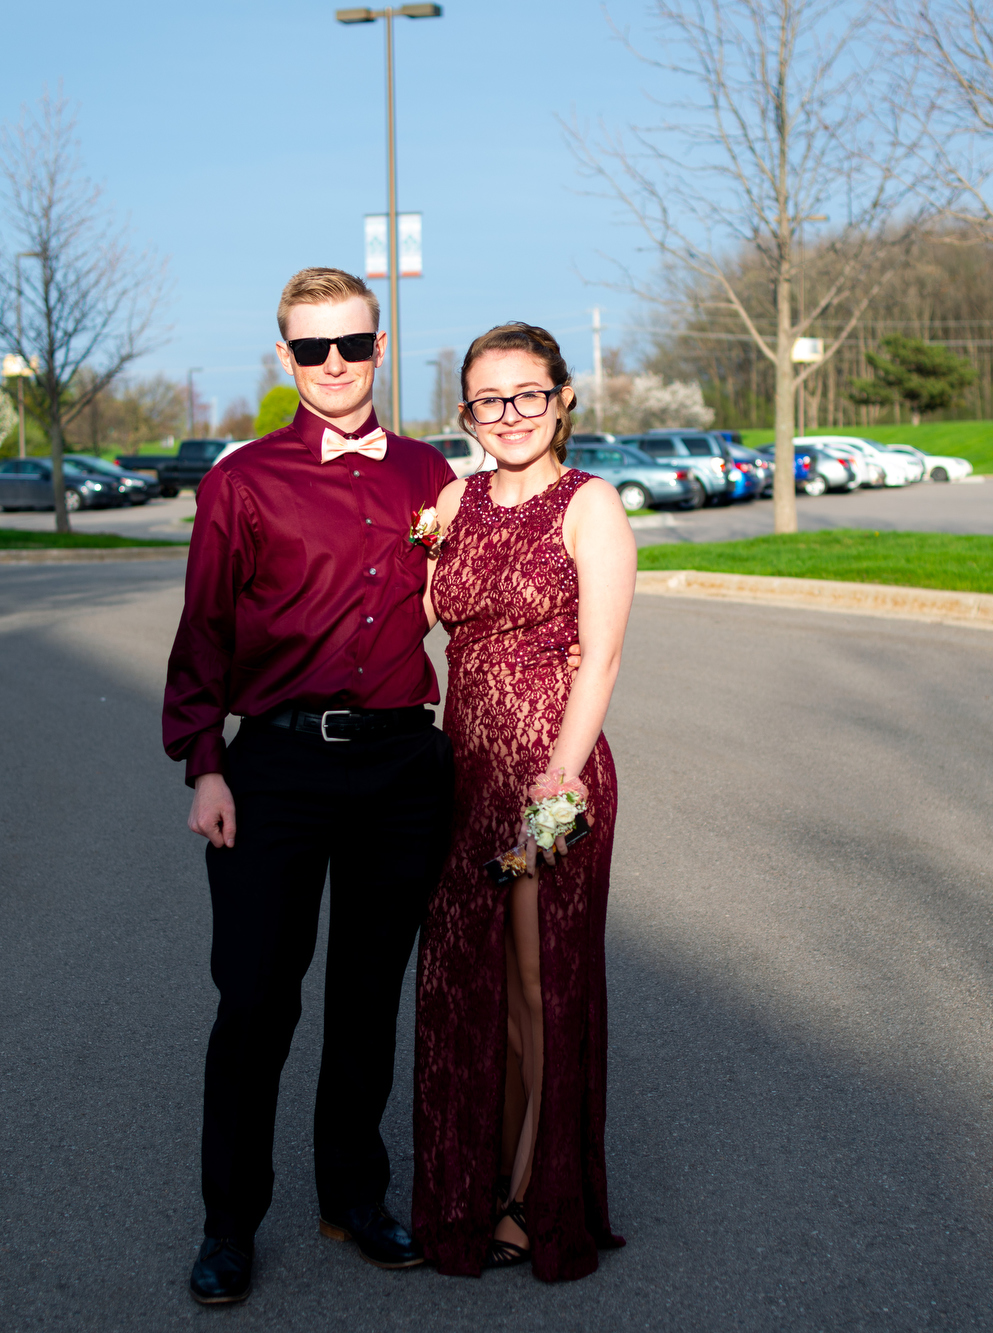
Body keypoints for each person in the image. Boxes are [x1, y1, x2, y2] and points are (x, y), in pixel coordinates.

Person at [163, 267, 455, 1305]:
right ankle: (228, 1224)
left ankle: (355, 1196)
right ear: (283, 358)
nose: (334, 365)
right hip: (274, 767)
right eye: (312, 350)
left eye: (353, 345)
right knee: (253, 1001)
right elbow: (202, 631)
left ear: (379, 347)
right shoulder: (243, 481)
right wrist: (204, 762)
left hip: (397, 769)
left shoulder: (429, 474)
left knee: (368, 999)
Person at [410, 322, 635, 1281]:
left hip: (553, 783)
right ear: (466, 412)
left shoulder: (591, 506)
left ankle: (533, 1201)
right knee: (484, 992)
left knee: (544, 986)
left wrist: (560, 779)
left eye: (527, 395)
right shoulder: (452, 502)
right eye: (488, 400)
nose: (509, 415)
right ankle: (484, 1181)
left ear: (563, 398)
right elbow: (405, 618)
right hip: (465, 781)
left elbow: (604, 656)